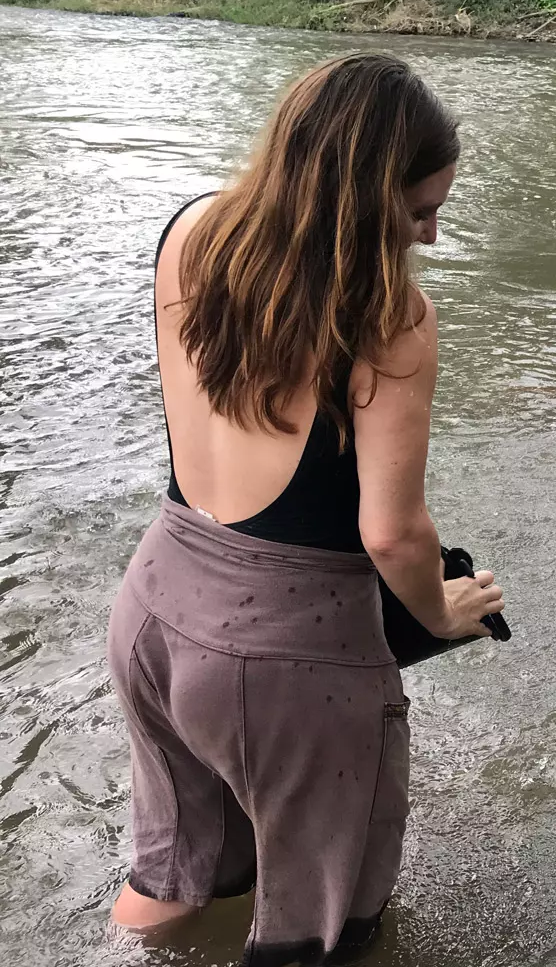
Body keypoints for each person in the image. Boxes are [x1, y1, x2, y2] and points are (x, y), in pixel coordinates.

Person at [105, 51, 505, 966]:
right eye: (416, 213)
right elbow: (392, 531)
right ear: (358, 197)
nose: (431, 237)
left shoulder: (193, 231)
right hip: (285, 663)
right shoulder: (390, 319)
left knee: (173, 877)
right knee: (321, 932)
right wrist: (442, 611)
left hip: (155, 612)